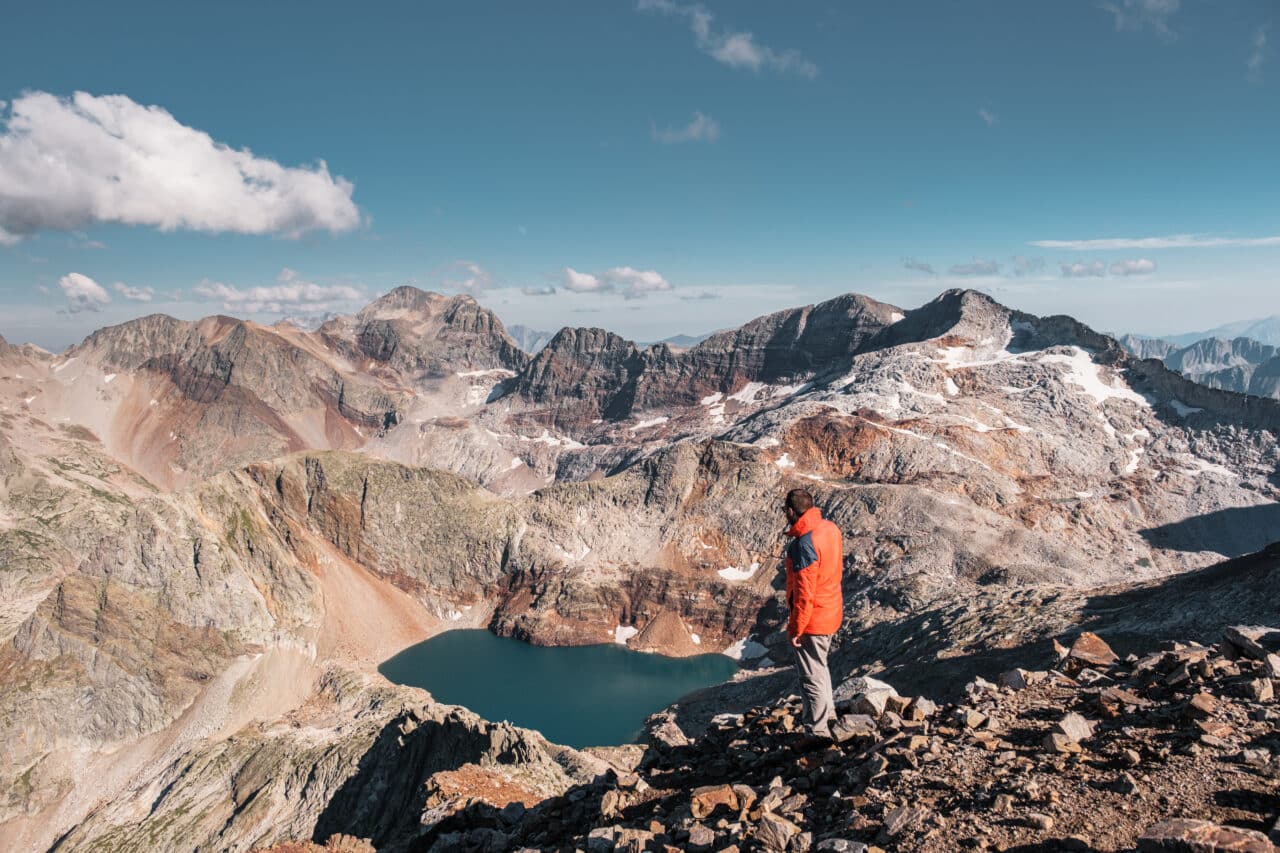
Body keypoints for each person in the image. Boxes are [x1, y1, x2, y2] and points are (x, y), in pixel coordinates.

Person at [782, 487, 844, 738]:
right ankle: (828, 717)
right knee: (820, 667)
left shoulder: (804, 544)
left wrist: (796, 629)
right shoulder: (829, 528)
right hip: (831, 610)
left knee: (810, 677)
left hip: (814, 619)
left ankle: (817, 732)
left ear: (790, 511)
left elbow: (805, 594)